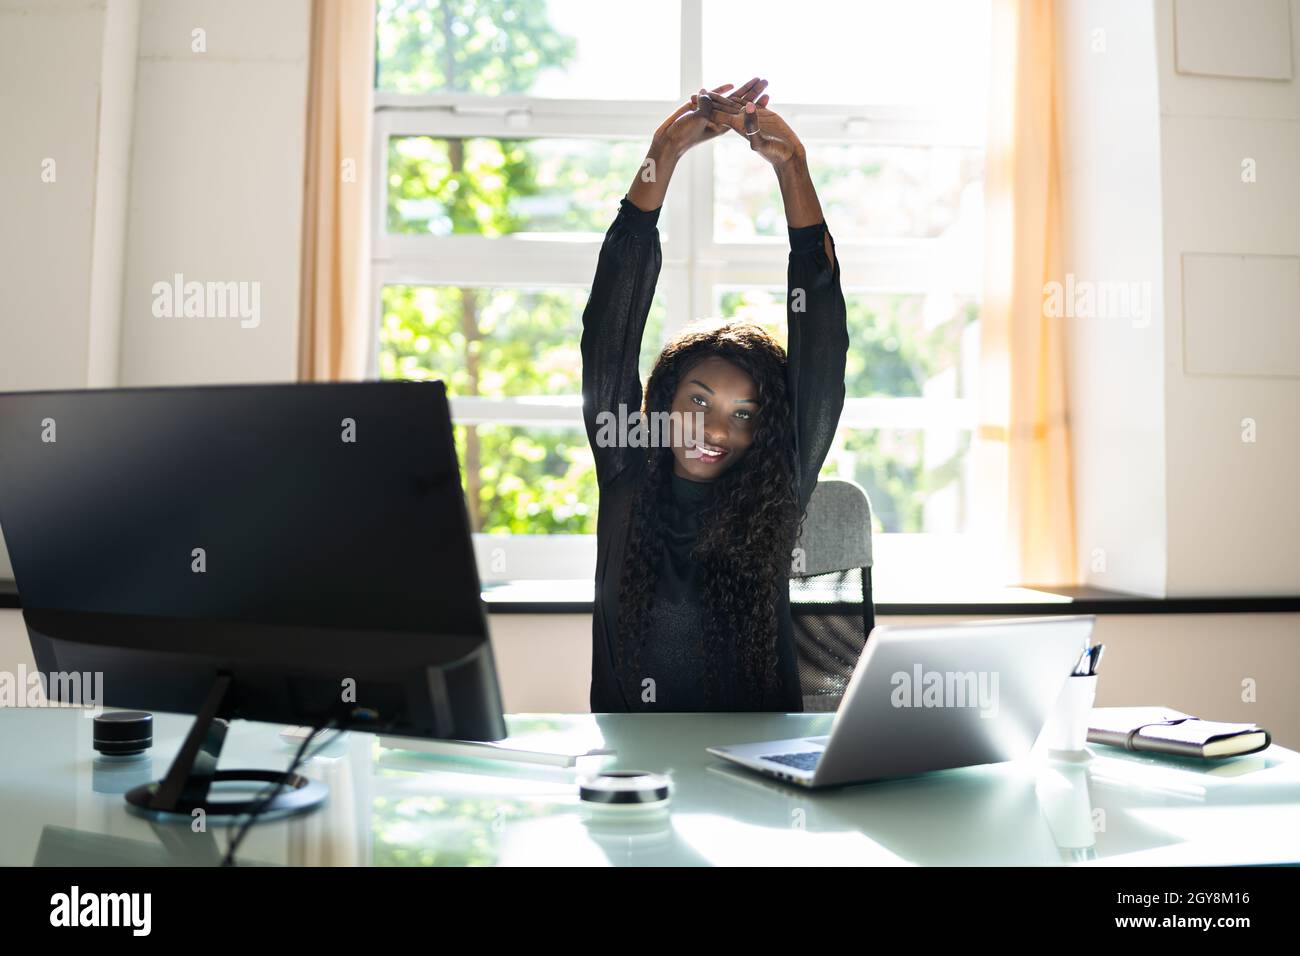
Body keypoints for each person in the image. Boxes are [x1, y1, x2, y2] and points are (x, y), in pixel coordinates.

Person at [581, 78, 848, 712]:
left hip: (761, 771)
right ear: (664, 401)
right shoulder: (626, 467)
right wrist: (662, 154)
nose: (716, 430)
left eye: (744, 414)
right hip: (635, 772)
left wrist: (793, 169)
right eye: (699, 401)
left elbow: (824, 340)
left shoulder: (778, 484)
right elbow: (609, 329)